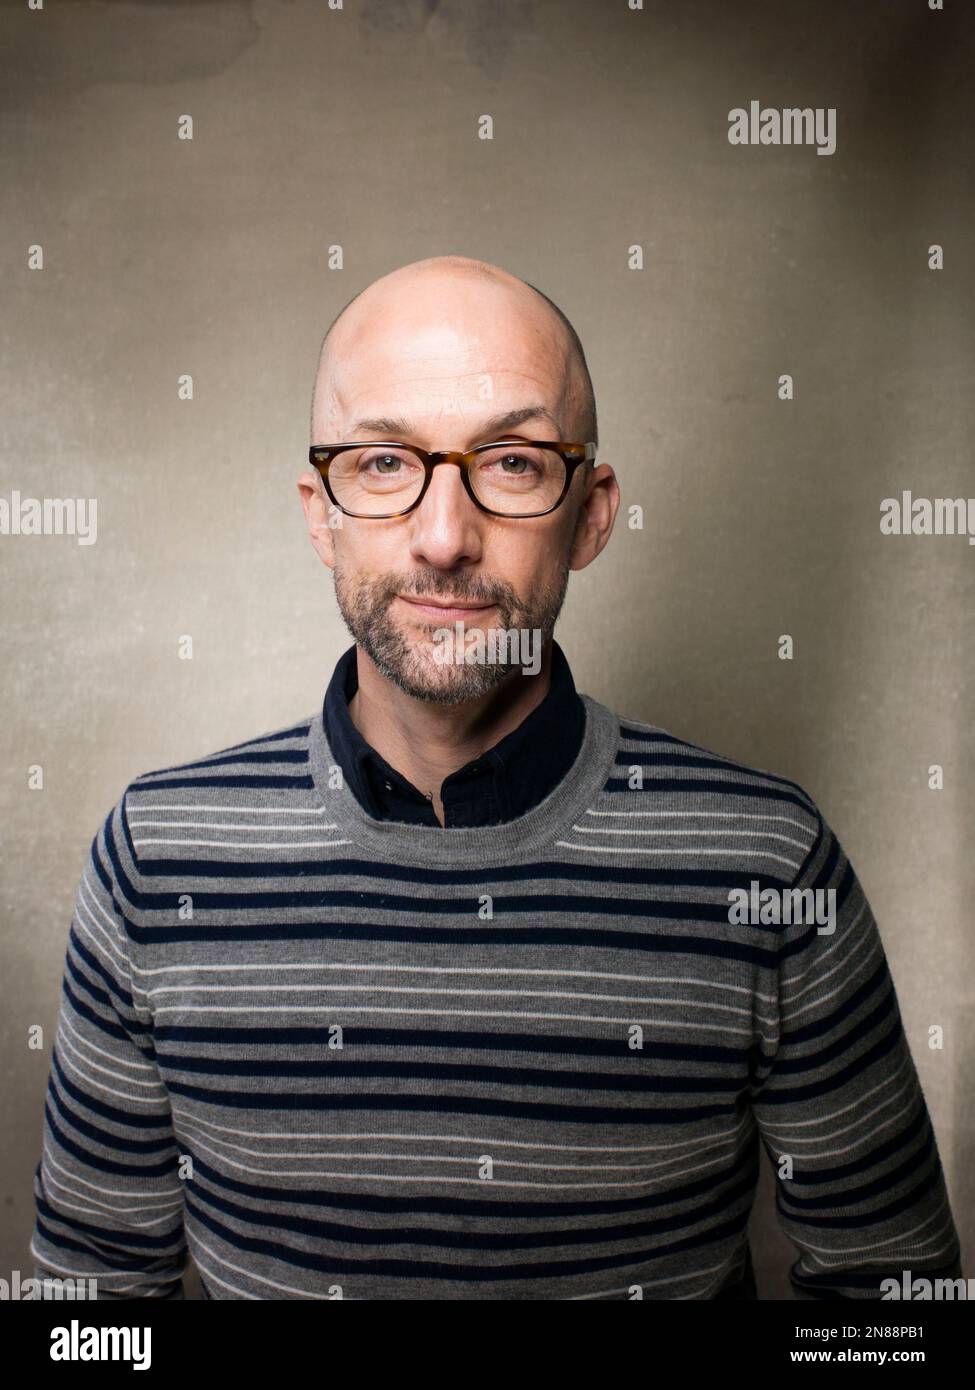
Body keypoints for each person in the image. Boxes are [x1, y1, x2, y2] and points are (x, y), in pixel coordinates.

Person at [31, 256, 962, 1300]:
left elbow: (894, 1306)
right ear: (320, 513)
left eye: (512, 462)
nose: (443, 538)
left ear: (592, 513)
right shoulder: (158, 862)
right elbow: (88, 1314)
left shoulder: (768, 865)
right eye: (384, 462)